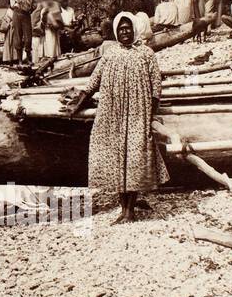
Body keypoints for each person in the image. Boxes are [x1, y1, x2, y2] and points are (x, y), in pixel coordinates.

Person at [64, 12, 168, 223]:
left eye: (128, 28)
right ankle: (123, 209)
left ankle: (130, 211)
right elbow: (93, 82)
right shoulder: (110, 54)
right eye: (120, 29)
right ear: (116, 32)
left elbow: (156, 87)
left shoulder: (146, 53)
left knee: (135, 160)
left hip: (138, 114)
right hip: (112, 114)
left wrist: (150, 115)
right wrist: (78, 103)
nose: (125, 32)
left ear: (135, 29)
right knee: (117, 160)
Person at [3, 0, 35, 65]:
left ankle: (28, 59)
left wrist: (31, 9)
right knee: (18, 37)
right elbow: (17, 0)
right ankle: (20, 60)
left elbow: (35, 2)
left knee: (28, 38)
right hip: (17, 14)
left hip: (26, 15)